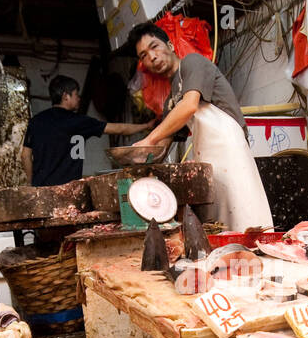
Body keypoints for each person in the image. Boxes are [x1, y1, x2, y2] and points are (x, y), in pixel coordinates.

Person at [129, 22, 273, 231]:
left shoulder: (192, 63)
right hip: (208, 160)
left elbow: (189, 106)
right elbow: (165, 141)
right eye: (143, 55)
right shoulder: (171, 98)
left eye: (154, 47)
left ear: (170, 45)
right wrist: (141, 160)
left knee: (245, 218)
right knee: (221, 226)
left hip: (230, 151)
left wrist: (149, 139)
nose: (151, 57)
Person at [21, 75, 152, 186]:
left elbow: (25, 155)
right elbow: (120, 129)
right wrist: (146, 126)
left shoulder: (36, 121)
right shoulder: (79, 121)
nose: (79, 98)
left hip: (40, 190)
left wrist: (32, 182)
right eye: (76, 94)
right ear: (66, 96)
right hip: (69, 190)